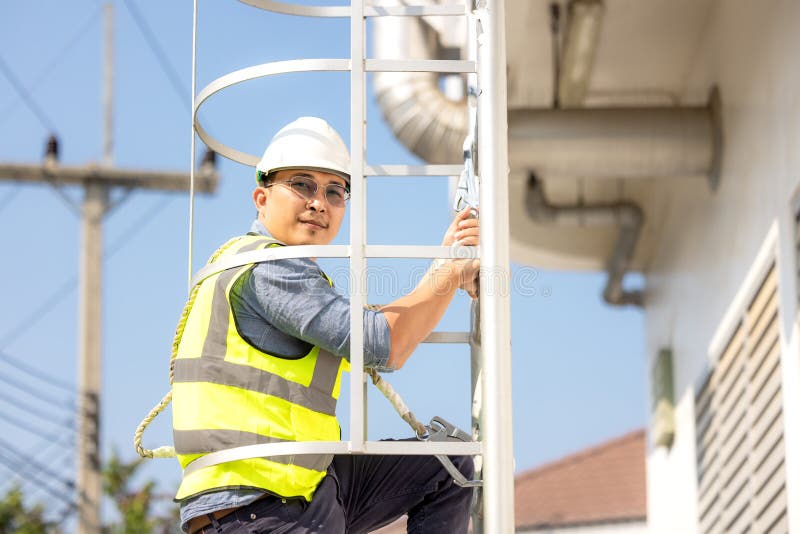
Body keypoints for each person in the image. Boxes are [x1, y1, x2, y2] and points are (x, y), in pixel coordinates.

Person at [172, 116, 480, 533]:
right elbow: (384, 343)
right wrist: (448, 272)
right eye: (302, 185)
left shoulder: (285, 275)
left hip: (304, 488)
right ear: (261, 198)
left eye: (335, 191)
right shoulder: (267, 267)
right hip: (256, 509)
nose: (319, 201)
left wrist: (448, 266)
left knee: (448, 465)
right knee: (451, 464)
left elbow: (378, 332)